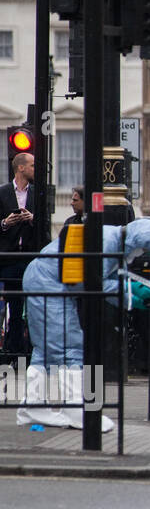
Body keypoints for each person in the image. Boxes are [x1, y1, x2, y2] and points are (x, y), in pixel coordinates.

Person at [17, 218, 150, 430]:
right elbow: (92, 282)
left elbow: (100, 280)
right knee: (70, 346)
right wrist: (129, 291)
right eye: (142, 249)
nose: (141, 254)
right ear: (135, 241)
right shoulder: (106, 242)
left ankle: (33, 407)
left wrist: (132, 296)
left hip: (48, 281)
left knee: (47, 350)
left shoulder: (115, 241)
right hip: (49, 283)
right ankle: (76, 412)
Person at [0, 152, 39, 356]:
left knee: (32, 306)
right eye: (33, 165)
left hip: (31, 257)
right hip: (10, 257)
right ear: (21, 168)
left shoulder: (39, 193)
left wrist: (32, 218)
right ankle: (13, 350)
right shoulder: (3, 192)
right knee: (14, 306)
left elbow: (45, 227)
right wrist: (6, 223)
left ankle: (30, 350)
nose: (36, 168)